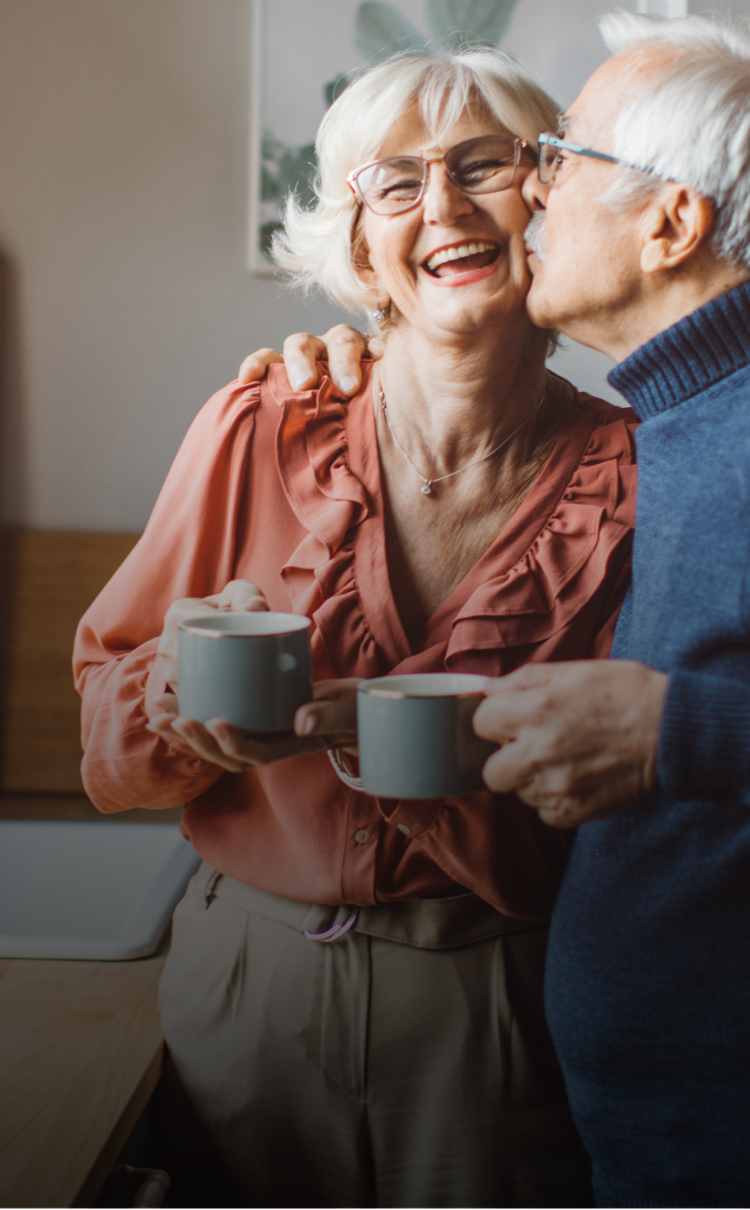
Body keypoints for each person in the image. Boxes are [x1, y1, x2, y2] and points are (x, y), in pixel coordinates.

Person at [74, 48, 637, 1208]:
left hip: (503, 997)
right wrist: (170, 695)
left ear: (548, 196)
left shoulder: (638, 477)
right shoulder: (260, 422)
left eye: (484, 164)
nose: (442, 207)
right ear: (361, 245)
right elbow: (107, 746)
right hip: (249, 980)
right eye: (395, 183)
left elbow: (651, 795)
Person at [251, 12, 750, 1206]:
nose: (529, 189)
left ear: (671, 223)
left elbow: (689, 730)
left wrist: (684, 735)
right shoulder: (685, 420)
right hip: (652, 1112)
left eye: (559, 156)